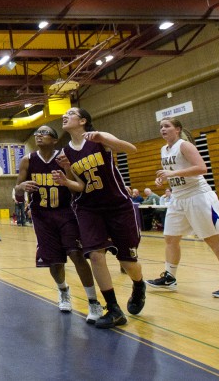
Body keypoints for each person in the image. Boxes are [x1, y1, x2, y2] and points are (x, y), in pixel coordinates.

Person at [53, 107, 146, 329]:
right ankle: (113, 308)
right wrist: (65, 180)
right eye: (64, 114)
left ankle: (139, 284)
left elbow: (131, 149)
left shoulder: (99, 138)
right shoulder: (66, 152)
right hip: (88, 208)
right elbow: (80, 185)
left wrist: (104, 138)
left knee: (127, 262)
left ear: (83, 120)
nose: (65, 116)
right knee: (95, 255)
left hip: (118, 206)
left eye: (70, 113)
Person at [146, 119, 219, 298]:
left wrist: (172, 173)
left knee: (213, 240)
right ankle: (169, 277)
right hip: (178, 197)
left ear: (177, 129)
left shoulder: (184, 145)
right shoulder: (164, 149)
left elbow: (201, 168)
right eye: (161, 127)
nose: (163, 129)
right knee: (170, 238)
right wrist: (164, 178)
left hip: (197, 195)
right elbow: (175, 172)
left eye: (167, 126)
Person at [16, 125, 102, 323]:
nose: (39, 135)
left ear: (55, 140)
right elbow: (18, 190)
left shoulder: (64, 157)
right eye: (37, 133)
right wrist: (21, 186)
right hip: (41, 216)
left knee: (76, 254)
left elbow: (78, 187)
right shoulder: (28, 160)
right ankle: (63, 290)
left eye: (44, 133)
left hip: (65, 212)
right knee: (54, 261)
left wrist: (67, 171)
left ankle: (93, 301)